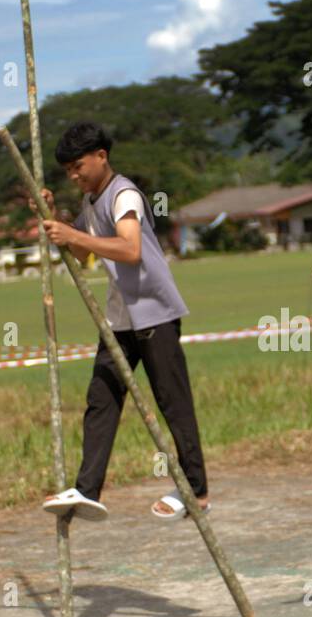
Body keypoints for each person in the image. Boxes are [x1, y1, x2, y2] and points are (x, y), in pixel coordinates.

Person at [34, 122, 209, 523]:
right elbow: (83, 254)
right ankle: (87, 489)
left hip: (155, 313)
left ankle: (197, 491)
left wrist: (71, 233)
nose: (74, 175)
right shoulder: (92, 202)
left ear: (101, 156)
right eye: (68, 171)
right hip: (121, 317)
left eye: (78, 166)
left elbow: (129, 249)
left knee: (172, 402)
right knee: (102, 398)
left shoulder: (123, 194)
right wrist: (54, 219)